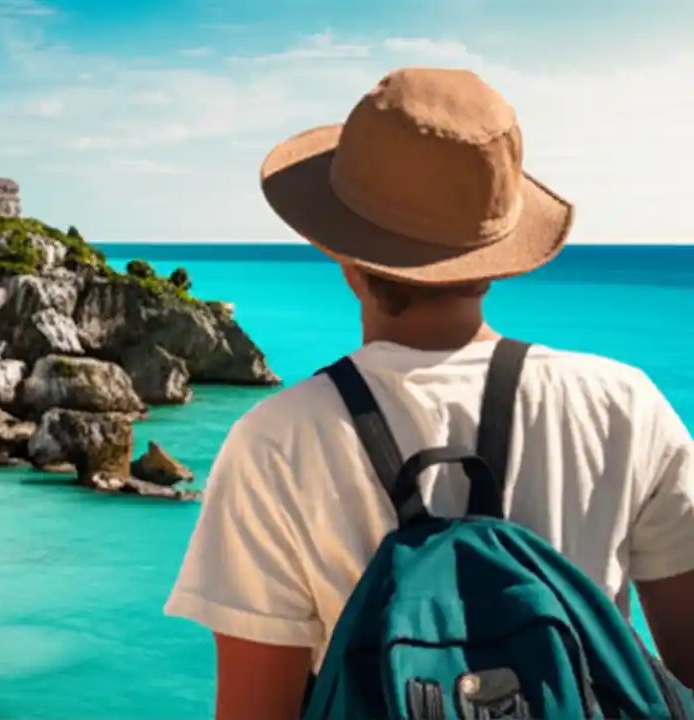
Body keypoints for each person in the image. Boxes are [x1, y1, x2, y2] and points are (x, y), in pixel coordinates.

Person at [163, 66, 694, 719]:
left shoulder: (278, 441)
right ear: (498, 249)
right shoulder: (624, 406)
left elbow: (254, 710)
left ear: (341, 249)